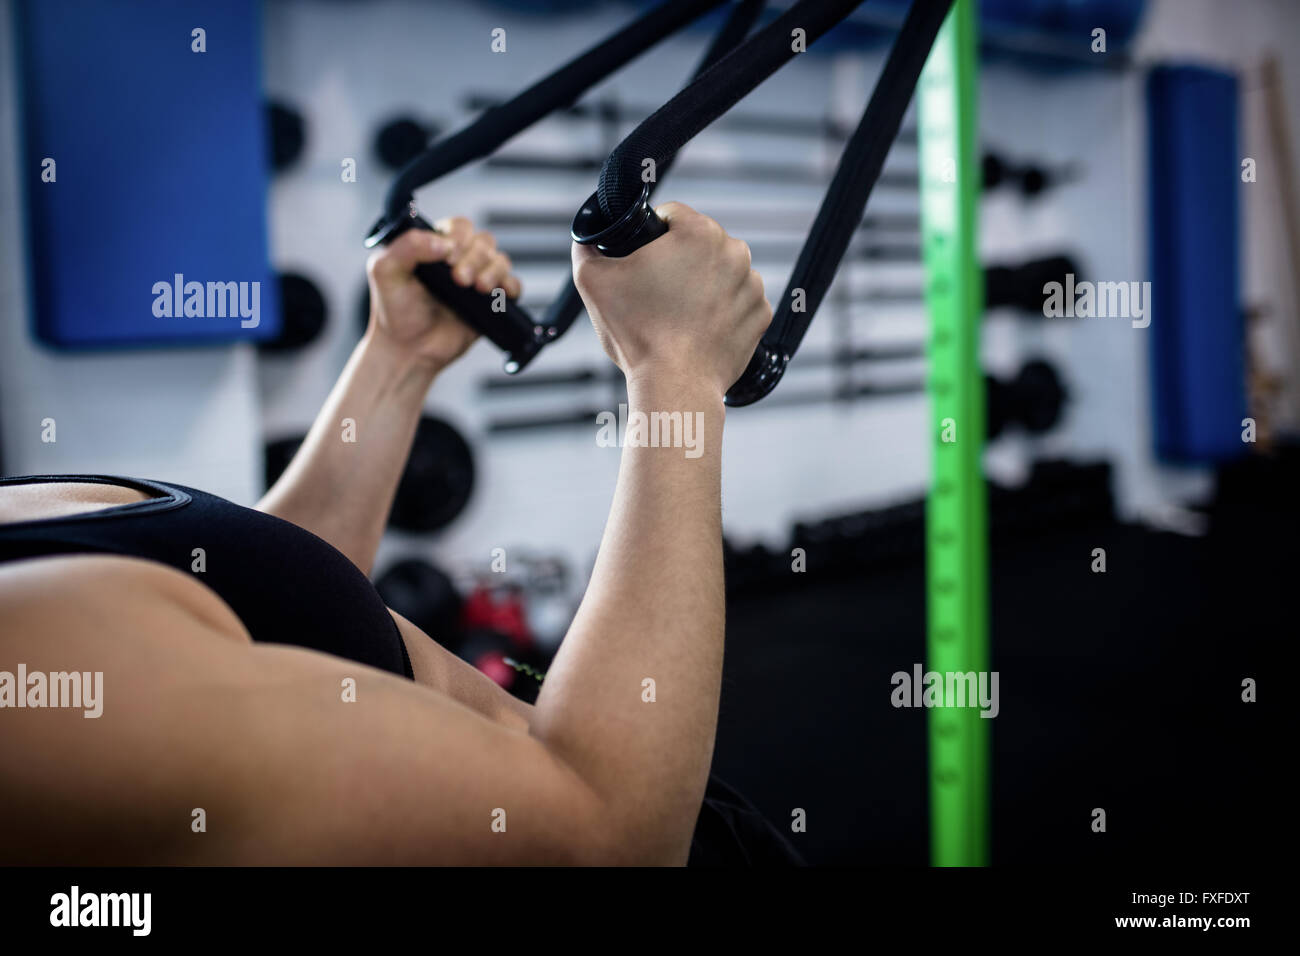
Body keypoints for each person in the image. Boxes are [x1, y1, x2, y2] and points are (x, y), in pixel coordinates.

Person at [0, 205, 800, 865]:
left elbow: (255, 612)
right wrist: (677, 366)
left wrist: (398, 358)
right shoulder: (34, 669)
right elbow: (608, 837)